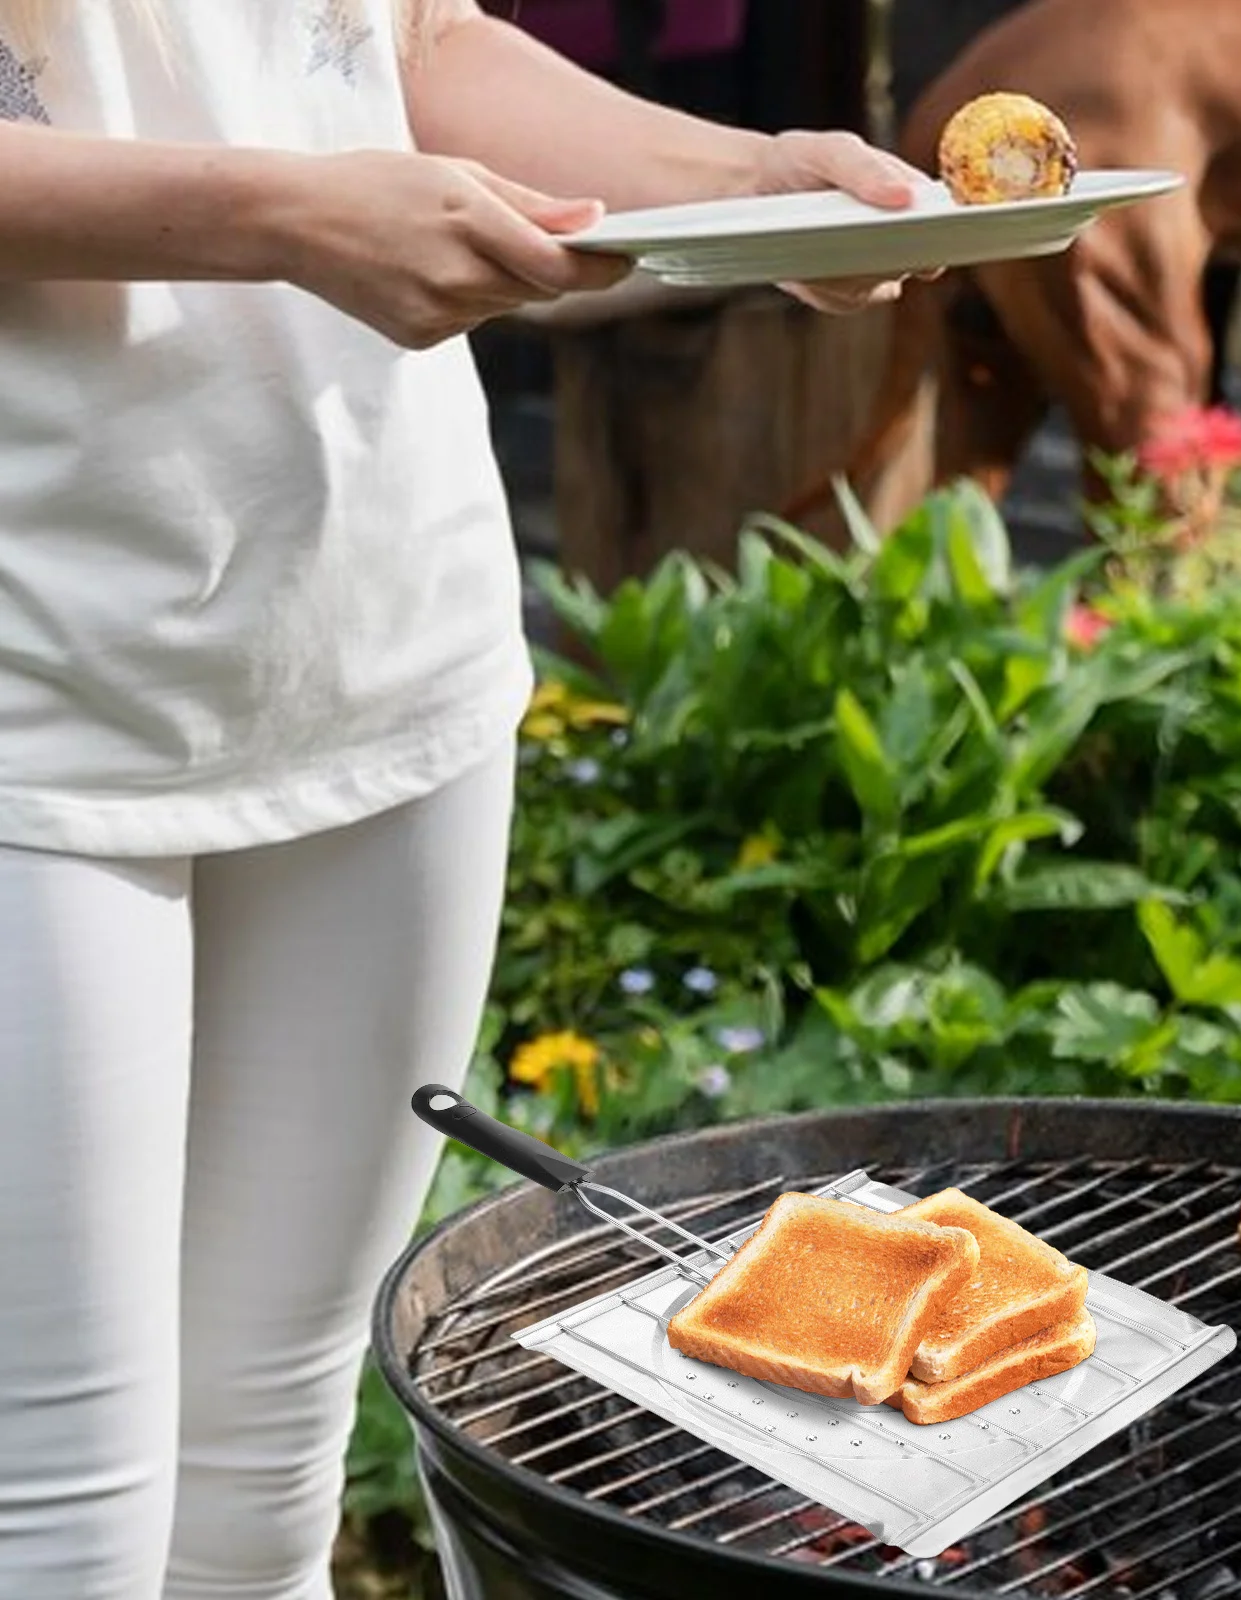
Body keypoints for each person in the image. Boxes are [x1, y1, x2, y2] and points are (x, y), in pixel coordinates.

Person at [0, 3, 929, 1596]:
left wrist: (746, 181)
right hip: (40, 688)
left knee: (270, 1461)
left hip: (385, 639)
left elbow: (408, 38)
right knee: (52, 1510)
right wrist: (289, 217)